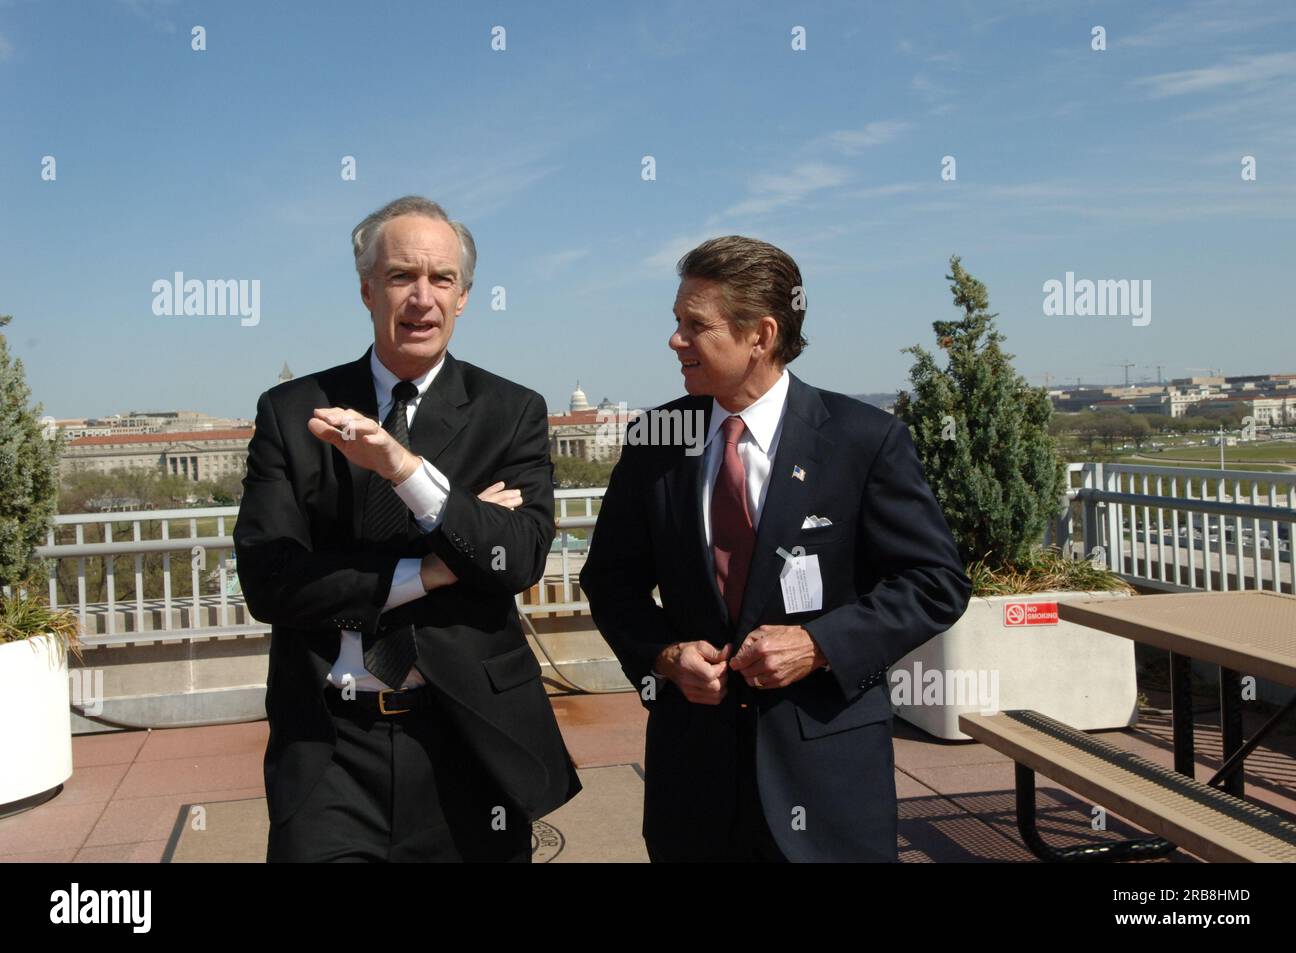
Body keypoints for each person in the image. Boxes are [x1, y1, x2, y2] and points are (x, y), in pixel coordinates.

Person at [580, 236, 971, 862]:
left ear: (760, 335)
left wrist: (819, 646)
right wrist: (663, 655)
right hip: (694, 781)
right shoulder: (656, 439)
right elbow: (611, 581)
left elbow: (934, 582)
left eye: (694, 325)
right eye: (676, 323)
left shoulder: (862, 439)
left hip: (825, 775)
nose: (674, 340)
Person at [235, 195, 580, 862]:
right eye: (401, 276)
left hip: (469, 742)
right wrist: (430, 567)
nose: (422, 297)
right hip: (330, 749)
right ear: (367, 289)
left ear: (465, 295)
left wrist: (407, 471)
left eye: (441, 278)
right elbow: (270, 582)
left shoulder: (510, 411)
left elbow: (519, 557)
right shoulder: (293, 412)